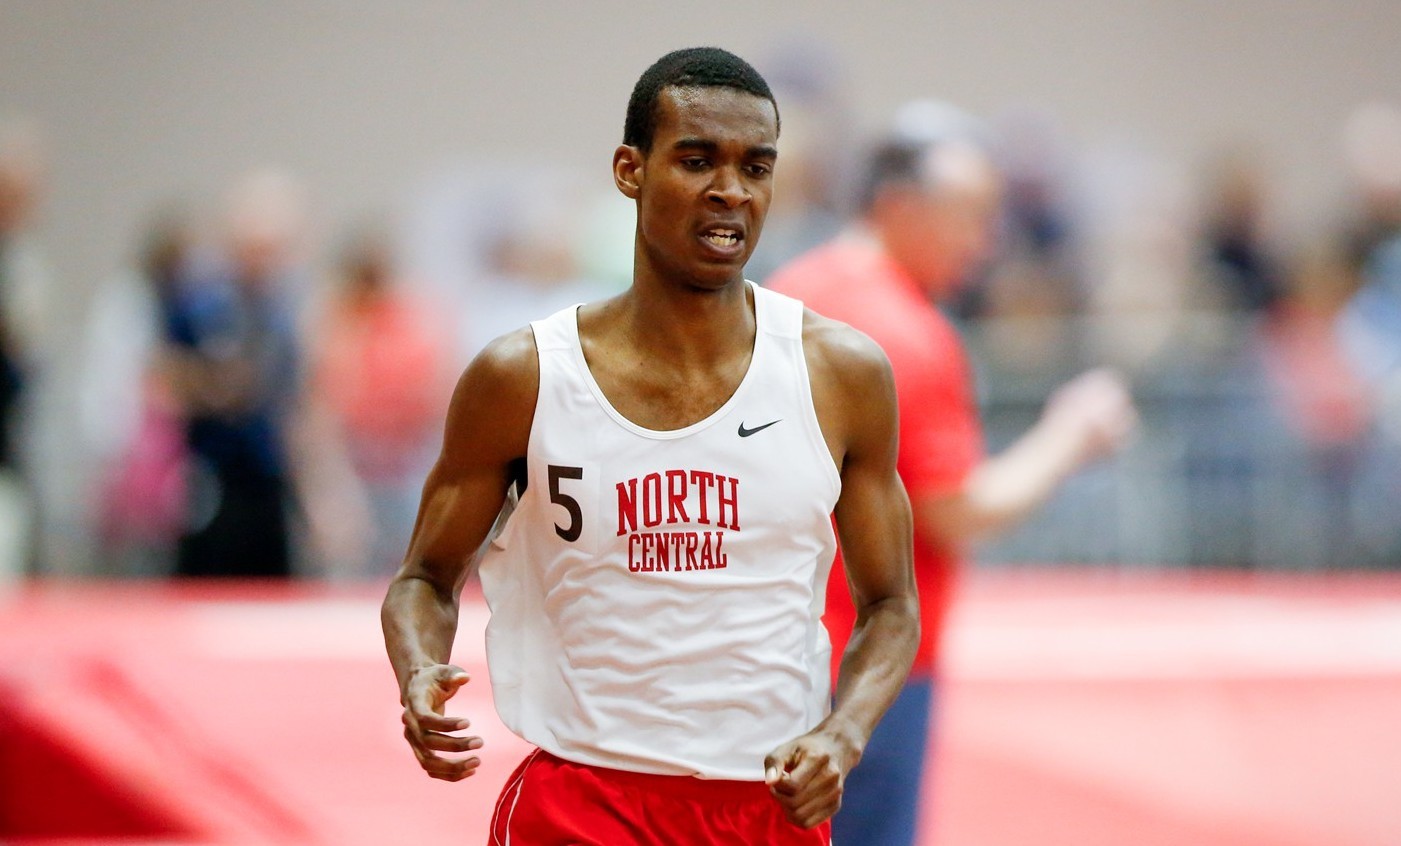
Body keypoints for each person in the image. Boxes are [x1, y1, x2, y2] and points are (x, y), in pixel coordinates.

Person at [381, 47, 919, 844]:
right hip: (581, 802)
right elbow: (424, 578)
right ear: (630, 170)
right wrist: (420, 672)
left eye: (755, 166)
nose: (730, 191)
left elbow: (891, 607)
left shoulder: (839, 373)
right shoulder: (524, 375)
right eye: (697, 161)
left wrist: (845, 731)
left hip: (763, 807)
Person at [768, 112, 1138, 846]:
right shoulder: (905, 336)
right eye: (968, 215)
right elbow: (958, 510)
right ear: (901, 207)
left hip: (775, 649)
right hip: (872, 663)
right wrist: (1071, 436)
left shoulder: (784, 295)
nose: (984, 240)